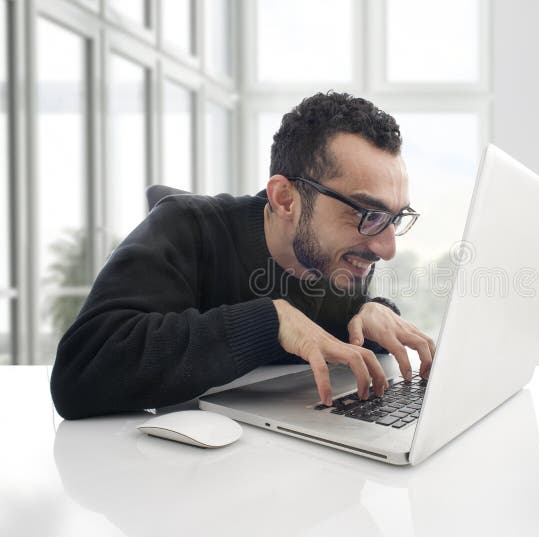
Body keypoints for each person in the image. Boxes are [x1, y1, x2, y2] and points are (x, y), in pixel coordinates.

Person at [50, 91, 436, 419]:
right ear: (286, 199)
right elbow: (80, 373)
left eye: (394, 218)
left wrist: (372, 313)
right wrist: (271, 321)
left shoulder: (342, 257)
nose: (387, 249)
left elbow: (337, 339)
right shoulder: (186, 226)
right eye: (368, 214)